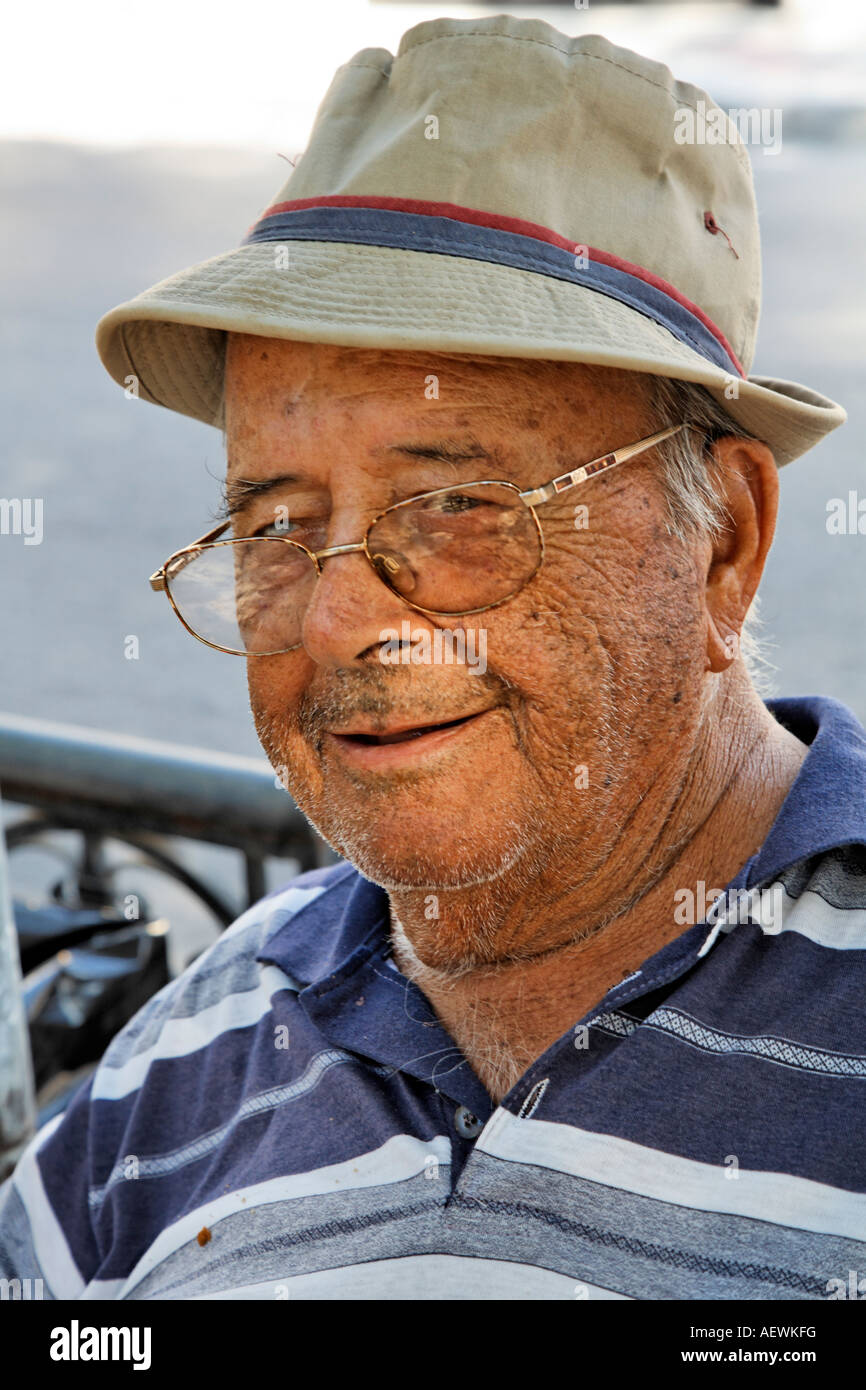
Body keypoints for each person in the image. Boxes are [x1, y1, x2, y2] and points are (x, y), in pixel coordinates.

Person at [2, 14, 864, 1301]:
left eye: (457, 507)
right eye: (273, 523)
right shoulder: (190, 1057)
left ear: (721, 544)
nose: (338, 622)